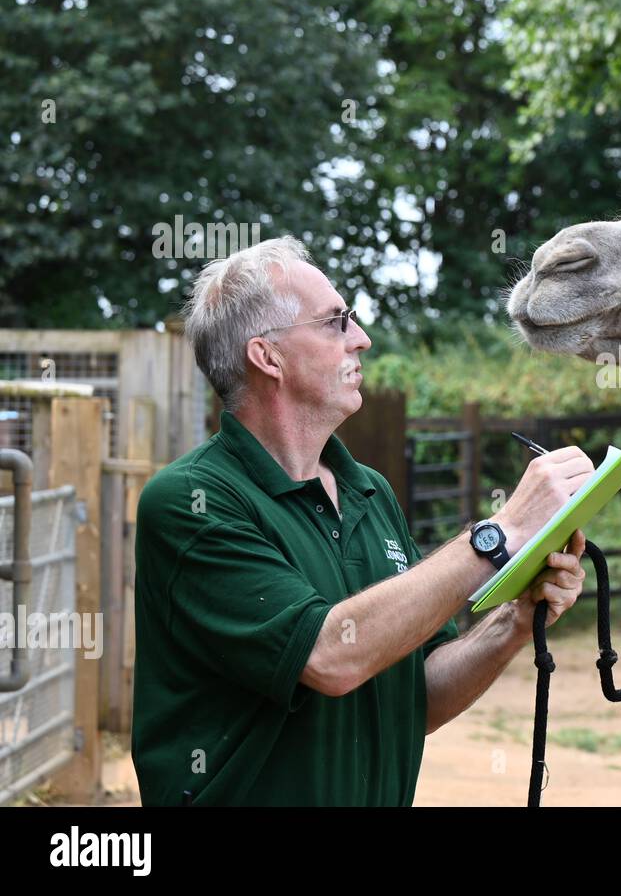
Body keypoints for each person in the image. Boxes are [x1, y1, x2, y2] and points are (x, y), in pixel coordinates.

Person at [131, 236, 594, 805]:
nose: (362, 339)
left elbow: (417, 696)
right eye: (335, 322)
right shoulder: (192, 500)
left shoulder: (368, 491)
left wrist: (516, 619)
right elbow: (330, 658)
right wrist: (503, 531)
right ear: (267, 356)